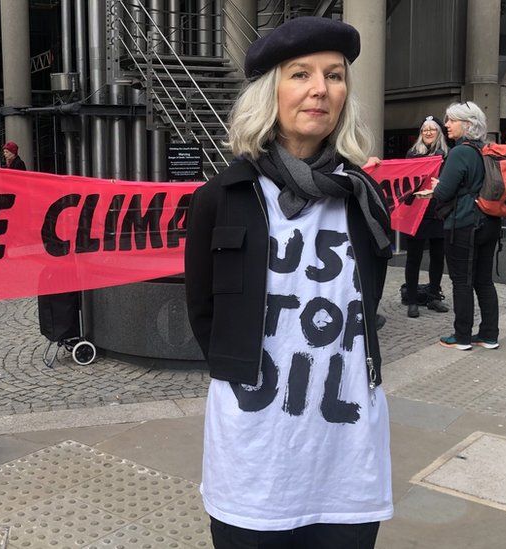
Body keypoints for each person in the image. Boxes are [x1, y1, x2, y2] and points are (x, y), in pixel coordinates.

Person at [184, 17, 393, 549]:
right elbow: (203, 312)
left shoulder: (363, 198)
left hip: (346, 453)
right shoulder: (222, 197)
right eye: (300, 74)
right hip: (254, 454)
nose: (320, 89)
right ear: (269, 93)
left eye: (334, 75)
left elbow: (366, 304)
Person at [431, 102, 501, 351]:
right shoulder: (486, 150)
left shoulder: (460, 152)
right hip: (489, 221)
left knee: (462, 282)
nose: (446, 125)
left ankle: (462, 337)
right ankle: (489, 335)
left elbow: (444, 193)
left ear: (468, 125)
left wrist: (437, 186)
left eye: (452, 120)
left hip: (463, 224)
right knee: (484, 281)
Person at [403, 116, 450, 318]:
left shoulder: (447, 155)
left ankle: (433, 296)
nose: (428, 132)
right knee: (414, 257)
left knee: (438, 257)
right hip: (417, 212)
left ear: (439, 132)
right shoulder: (412, 154)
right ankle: (412, 299)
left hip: (438, 211)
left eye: (432, 129)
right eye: (425, 129)